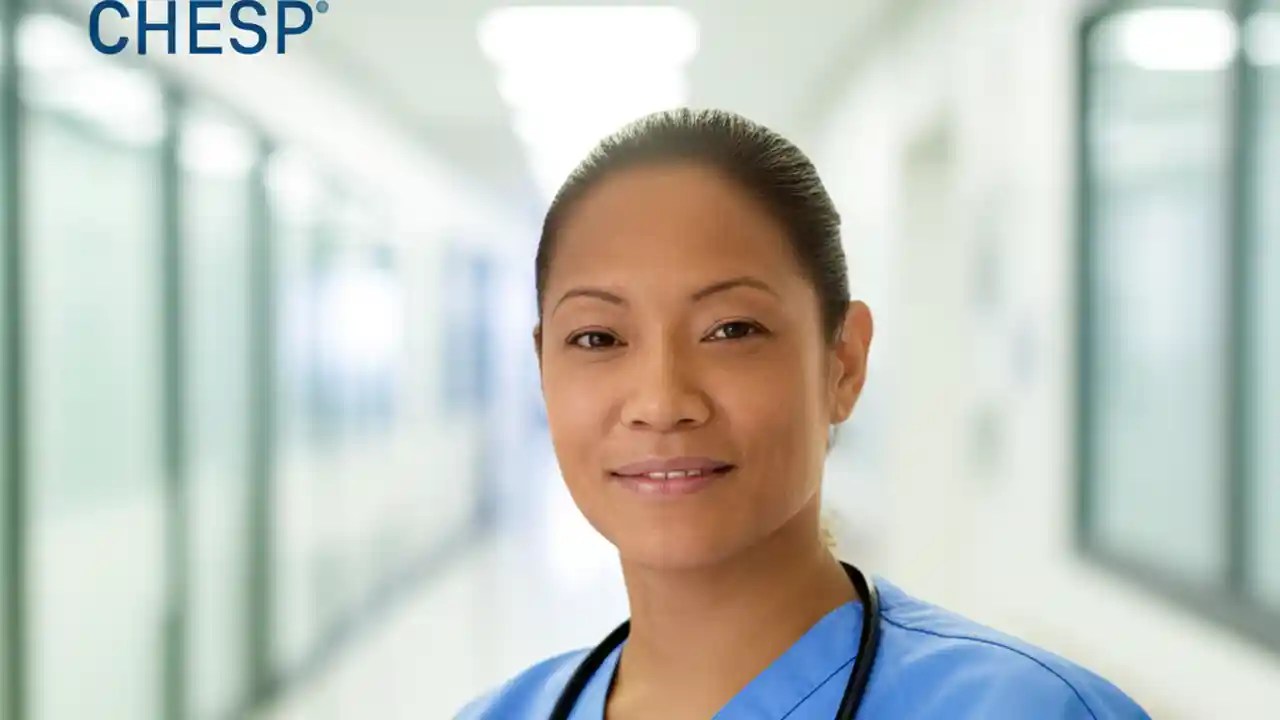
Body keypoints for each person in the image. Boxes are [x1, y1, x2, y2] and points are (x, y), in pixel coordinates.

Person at [458, 108, 1149, 719]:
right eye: (597, 338)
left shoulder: (1033, 711)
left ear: (842, 363)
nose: (662, 403)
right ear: (543, 371)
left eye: (731, 330)